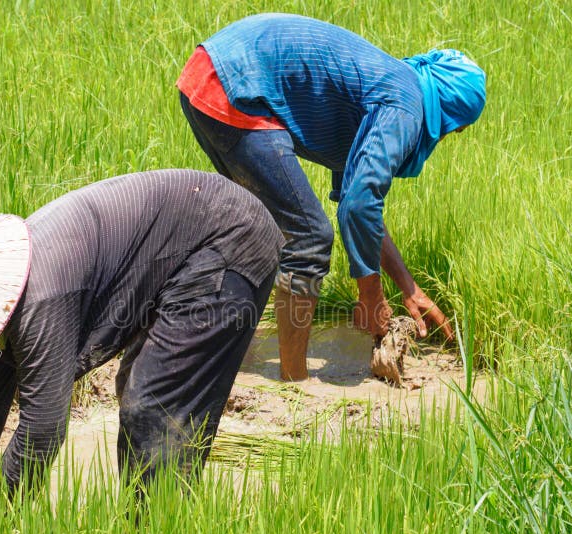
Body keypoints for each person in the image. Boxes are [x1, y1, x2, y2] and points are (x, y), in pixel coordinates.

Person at [0, 169, 283, 496]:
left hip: (227, 238)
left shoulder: (39, 300)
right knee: (132, 385)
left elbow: (43, 430)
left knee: (152, 404)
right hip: (189, 229)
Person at [177, 13, 487, 381]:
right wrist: (370, 296)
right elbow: (359, 205)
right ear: (447, 110)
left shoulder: (385, 86)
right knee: (308, 237)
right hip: (236, 87)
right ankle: (294, 386)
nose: (444, 138)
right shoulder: (405, 105)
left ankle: (201, 349)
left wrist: (409, 288)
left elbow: (358, 208)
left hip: (211, 73)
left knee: (256, 227)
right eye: (454, 130)